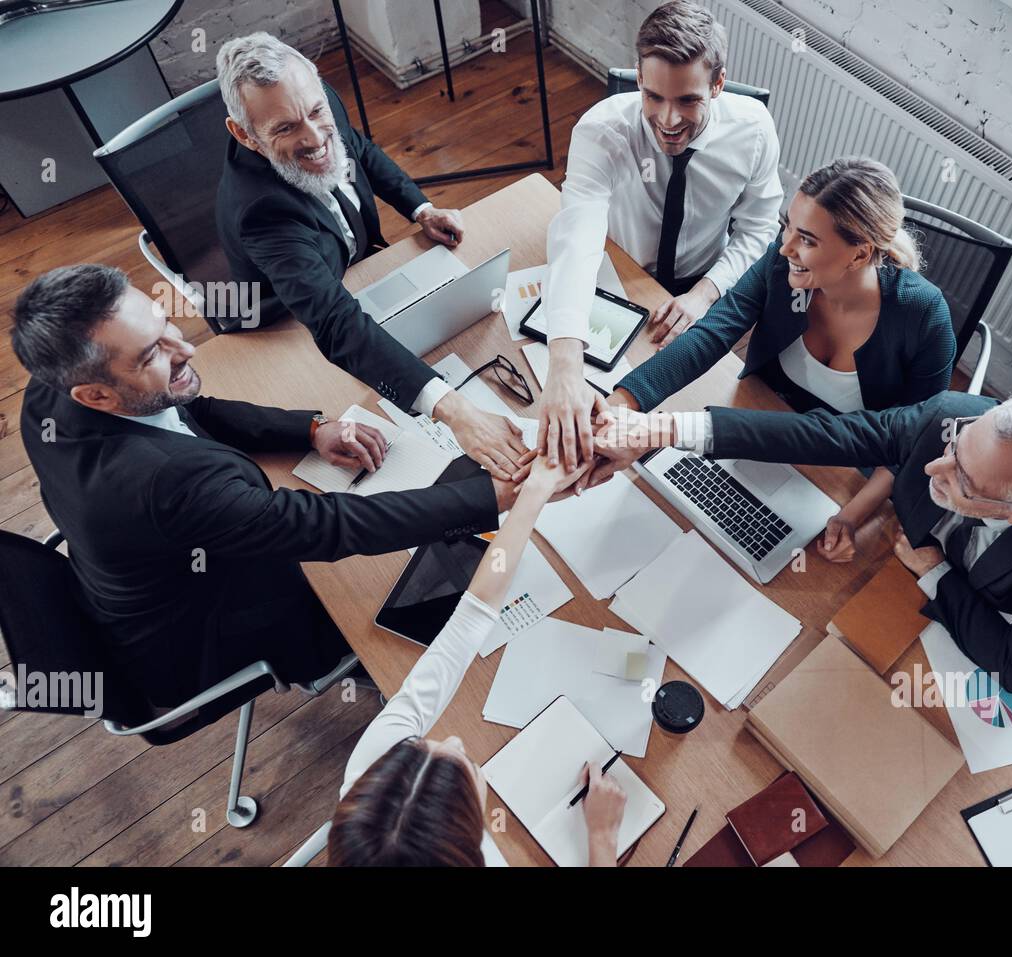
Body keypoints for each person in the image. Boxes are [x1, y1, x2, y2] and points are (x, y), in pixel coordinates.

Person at [13, 264, 528, 710]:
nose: (187, 348)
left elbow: (188, 413)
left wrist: (309, 428)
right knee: (385, 606)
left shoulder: (49, 395)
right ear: (96, 394)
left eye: (166, 323)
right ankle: (361, 672)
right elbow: (325, 527)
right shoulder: (168, 484)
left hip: (141, 582)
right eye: (152, 356)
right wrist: (492, 498)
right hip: (202, 635)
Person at [593, 390, 1012, 693]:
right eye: (956, 445)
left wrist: (934, 572)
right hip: (870, 575)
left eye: (962, 480)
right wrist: (662, 429)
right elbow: (828, 435)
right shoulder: (947, 418)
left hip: (931, 631)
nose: (936, 465)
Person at [607, 157, 956, 558]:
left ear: (859, 255)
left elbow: (913, 439)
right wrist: (622, 405)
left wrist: (850, 515)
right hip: (753, 420)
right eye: (787, 224)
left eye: (807, 239)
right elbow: (714, 332)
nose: (785, 245)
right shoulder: (782, 259)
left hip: (840, 466)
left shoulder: (924, 316)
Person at [215, 33, 526, 481]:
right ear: (244, 135)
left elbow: (358, 150)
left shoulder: (316, 102)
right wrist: (455, 410)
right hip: (284, 326)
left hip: (355, 268)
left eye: (316, 111)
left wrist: (420, 208)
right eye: (285, 128)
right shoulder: (258, 212)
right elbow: (335, 323)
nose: (315, 136)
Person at [329, 455, 628, 867]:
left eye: (422, 744)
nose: (453, 739)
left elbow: (472, 617)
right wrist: (603, 840)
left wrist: (534, 493)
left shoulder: (372, 771)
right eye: (467, 763)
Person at [537, 0, 783, 473]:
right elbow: (577, 237)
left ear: (718, 85)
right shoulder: (601, 129)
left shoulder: (753, 131)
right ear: (638, 78)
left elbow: (758, 228)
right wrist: (564, 360)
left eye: (688, 100)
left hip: (704, 284)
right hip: (618, 274)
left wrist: (704, 293)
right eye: (653, 97)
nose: (669, 120)